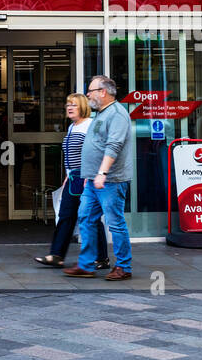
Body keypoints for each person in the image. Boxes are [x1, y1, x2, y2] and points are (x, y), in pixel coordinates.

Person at [63, 75, 134, 281]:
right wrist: (89, 175)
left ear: (103, 92)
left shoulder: (117, 115)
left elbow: (114, 146)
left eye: (91, 91)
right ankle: (86, 265)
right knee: (85, 218)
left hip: (111, 180)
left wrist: (102, 173)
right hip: (93, 181)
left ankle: (123, 266)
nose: (88, 95)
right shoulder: (101, 114)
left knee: (115, 222)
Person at [34, 93, 108, 270]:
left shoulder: (90, 125)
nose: (69, 107)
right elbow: (71, 155)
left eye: (73, 105)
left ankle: (102, 258)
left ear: (83, 107)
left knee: (90, 216)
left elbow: (97, 152)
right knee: (66, 215)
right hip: (74, 178)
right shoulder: (72, 127)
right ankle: (56, 255)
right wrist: (68, 175)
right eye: (68, 104)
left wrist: (91, 175)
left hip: (85, 178)